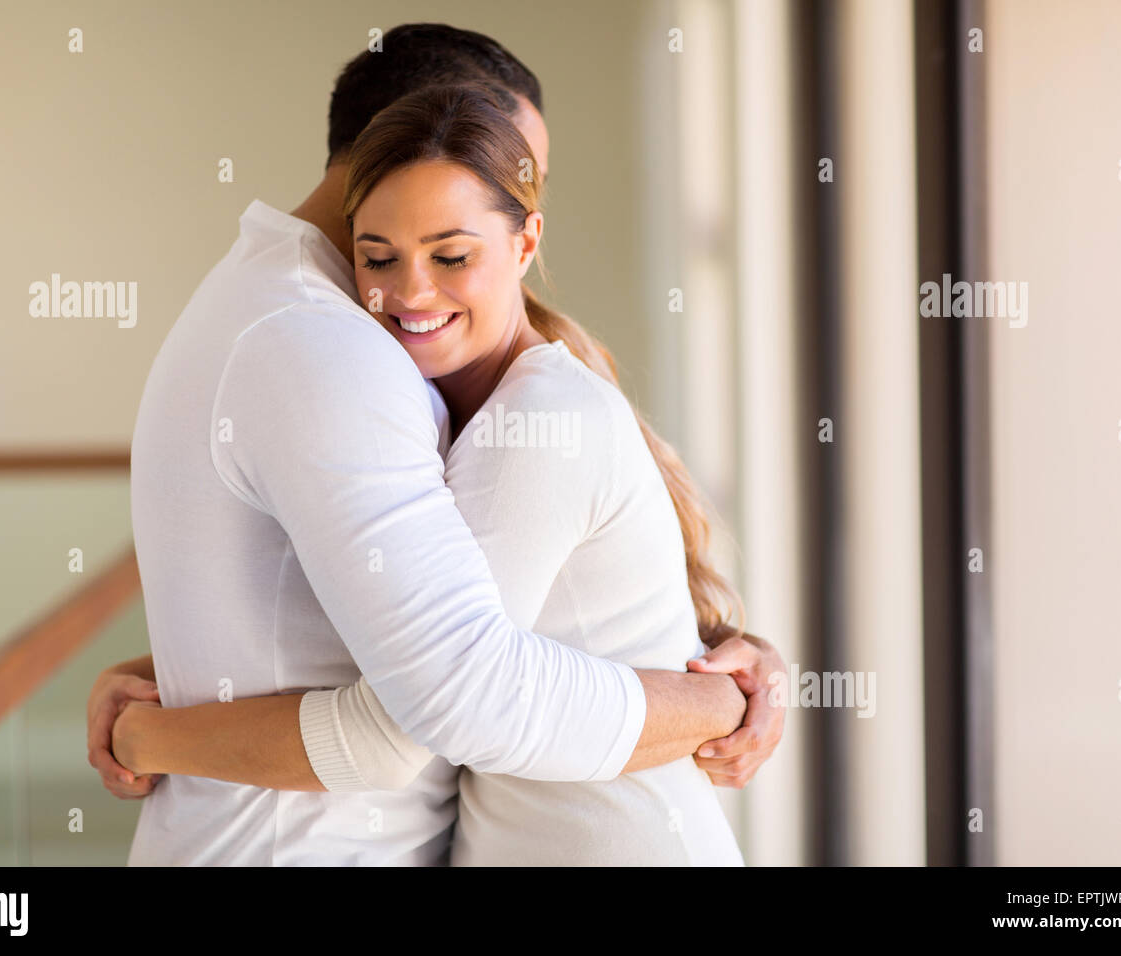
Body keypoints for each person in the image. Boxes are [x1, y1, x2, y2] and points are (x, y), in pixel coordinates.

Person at [88, 23, 785, 866]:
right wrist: (717, 701)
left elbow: (412, 635)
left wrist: (725, 682)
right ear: (410, 139)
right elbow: (434, 700)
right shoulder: (327, 347)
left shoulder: (345, 338)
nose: (528, 201)